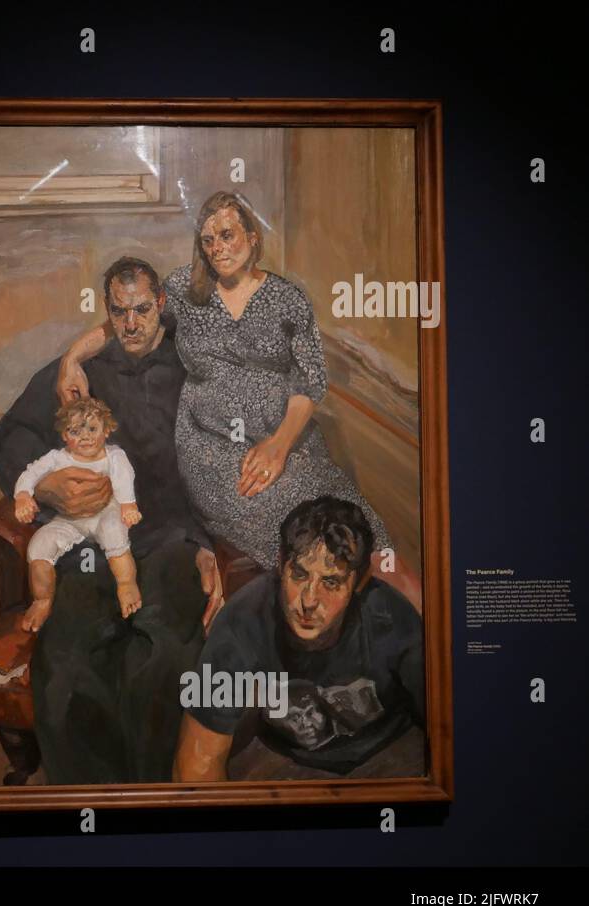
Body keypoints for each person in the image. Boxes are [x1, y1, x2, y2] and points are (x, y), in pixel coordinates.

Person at [57, 192, 420, 610]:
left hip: (287, 443)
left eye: (227, 235)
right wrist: (72, 358)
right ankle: (327, 618)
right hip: (211, 449)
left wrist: (279, 445)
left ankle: (416, 636)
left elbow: (310, 381)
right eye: (209, 240)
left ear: (251, 236)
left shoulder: (288, 299)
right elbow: (125, 318)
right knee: (306, 533)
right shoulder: (184, 291)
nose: (218, 248)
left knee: (361, 530)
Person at [0, 256, 223, 785]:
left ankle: (152, 802)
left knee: (164, 655)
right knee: (68, 657)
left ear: (161, 305)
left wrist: (207, 541)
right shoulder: (78, 374)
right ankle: (86, 807)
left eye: (143, 309)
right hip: (89, 539)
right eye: (120, 313)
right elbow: (10, 439)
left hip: (169, 536)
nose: (132, 324)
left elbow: (223, 465)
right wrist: (46, 488)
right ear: (107, 313)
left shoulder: (194, 361)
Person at [172, 496, 425, 781]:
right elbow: (196, 764)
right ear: (281, 565)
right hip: (286, 760)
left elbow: (446, 729)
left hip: (390, 754)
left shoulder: (392, 618)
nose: (309, 600)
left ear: (360, 582)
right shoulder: (241, 621)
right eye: (300, 574)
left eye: (331, 582)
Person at [13, 397, 143, 632]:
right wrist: (23, 495)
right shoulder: (57, 458)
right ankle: (42, 600)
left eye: (92, 429)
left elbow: (124, 477)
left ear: (106, 430)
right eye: (75, 430)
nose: (85, 436)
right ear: (64, 435)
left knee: (115, 534)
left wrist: (128, 504)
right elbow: (31, 473)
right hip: (70, 519)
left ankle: (126, 584)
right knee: (39, 546)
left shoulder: (114, 456)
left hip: (106, 513)